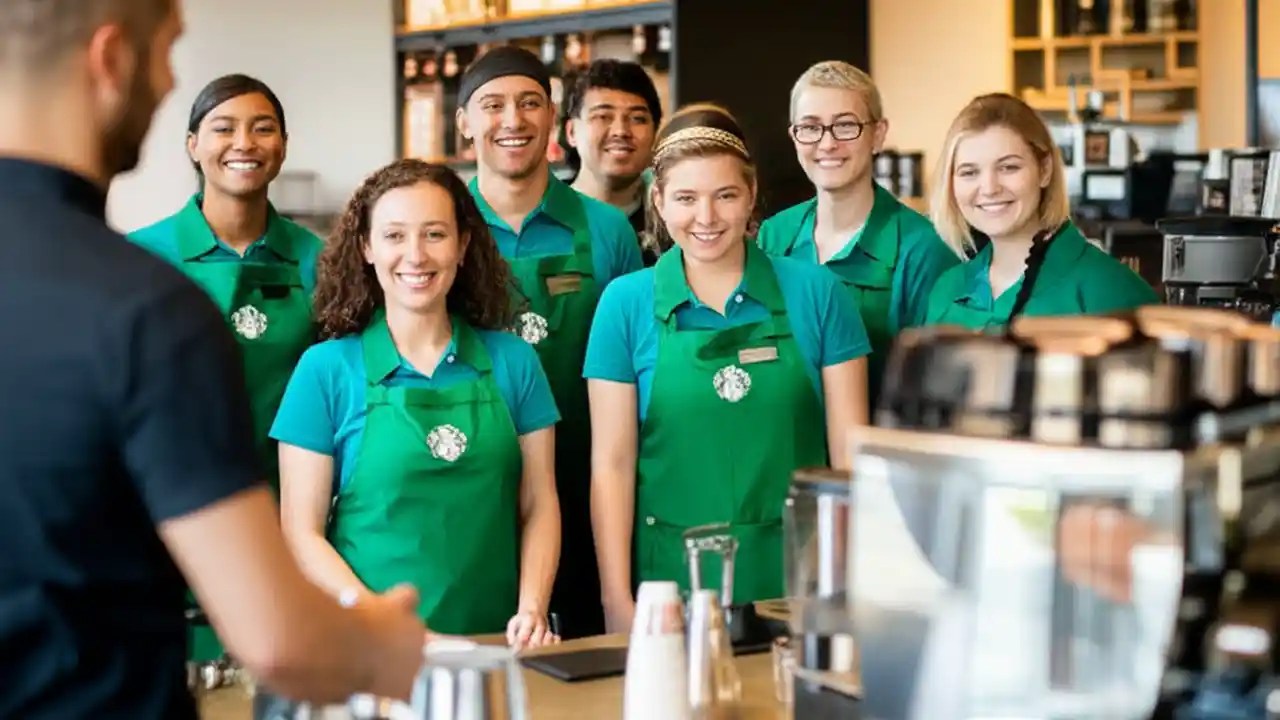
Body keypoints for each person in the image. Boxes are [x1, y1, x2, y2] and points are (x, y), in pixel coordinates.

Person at [0, 2, 424, 719]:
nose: (168, 85)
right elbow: (282, 642)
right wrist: (385, 643)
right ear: (111, 60)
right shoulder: (142, 304)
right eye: (166, 54)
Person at [584, 104, 872, 632]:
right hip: (668, 588)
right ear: (659, 201)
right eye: (686, 199)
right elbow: (612, 465)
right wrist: (616, 600)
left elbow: (850, 460)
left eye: (725, 196)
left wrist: (847, 586)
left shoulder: (818, 293)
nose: (707, 218)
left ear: (751, 196)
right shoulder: (623, 305)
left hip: (798, 588)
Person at [271, 159, 563, 648]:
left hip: (497, 646)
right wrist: (374, 619)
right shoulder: (324, 371)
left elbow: (539, 504)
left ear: (463, 245)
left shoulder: (515, 362)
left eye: (434, 234)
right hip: (371, 650)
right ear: (366, 247)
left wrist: (532, 608)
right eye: (394, 236)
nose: (416, 255)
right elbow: (301, 533)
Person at [127, 72, 322, 679]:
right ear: (192, 145)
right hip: (168, 523)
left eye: (263, 128)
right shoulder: (141, 258)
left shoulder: (321, 259)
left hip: (293, 520)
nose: (245, 142)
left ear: (284, 146)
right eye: (224, 127)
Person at [457, 45, 644, 639]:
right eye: (493, 105)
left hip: (592, 487)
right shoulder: (439, 224)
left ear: (555, 121)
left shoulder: (607, 229)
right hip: (477, 491)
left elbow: (637, 360)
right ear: (464, 123)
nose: (512, 120)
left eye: (529, 103)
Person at [757, 60, 959, 412]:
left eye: (845, 126)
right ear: (794, 137)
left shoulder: (924, 249)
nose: (828, 143)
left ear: (878, 134)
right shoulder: (774, 235)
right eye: (810, 127)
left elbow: (937, 389)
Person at [924, 93, 1159, 330]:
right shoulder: (946, 290)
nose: (989, 188)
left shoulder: (1110, 289)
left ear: (1044, 169)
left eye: (1008, 167)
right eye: (969, 172)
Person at [561, 58, 663, 264]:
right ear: (571, 132)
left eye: (637, 119)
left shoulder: (673, 220)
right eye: (602, 116)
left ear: (655, 133)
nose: (621, 131)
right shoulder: (546, 216)